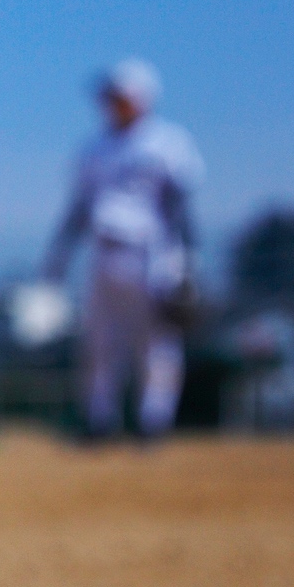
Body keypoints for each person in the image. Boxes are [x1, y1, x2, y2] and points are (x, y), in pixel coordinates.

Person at [43, 58, 204, 442]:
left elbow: (180, 203)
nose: (109, 102)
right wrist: (58, 257)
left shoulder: (169, 142)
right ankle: (100, 419)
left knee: (156, 343)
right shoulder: (94, 147)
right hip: (104, 253)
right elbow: (79, 207)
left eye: (118, 96)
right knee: (98, 342)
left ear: (141, 98)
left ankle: (153, 421)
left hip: (152, 252)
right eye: (108, 96)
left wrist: (187, 261)